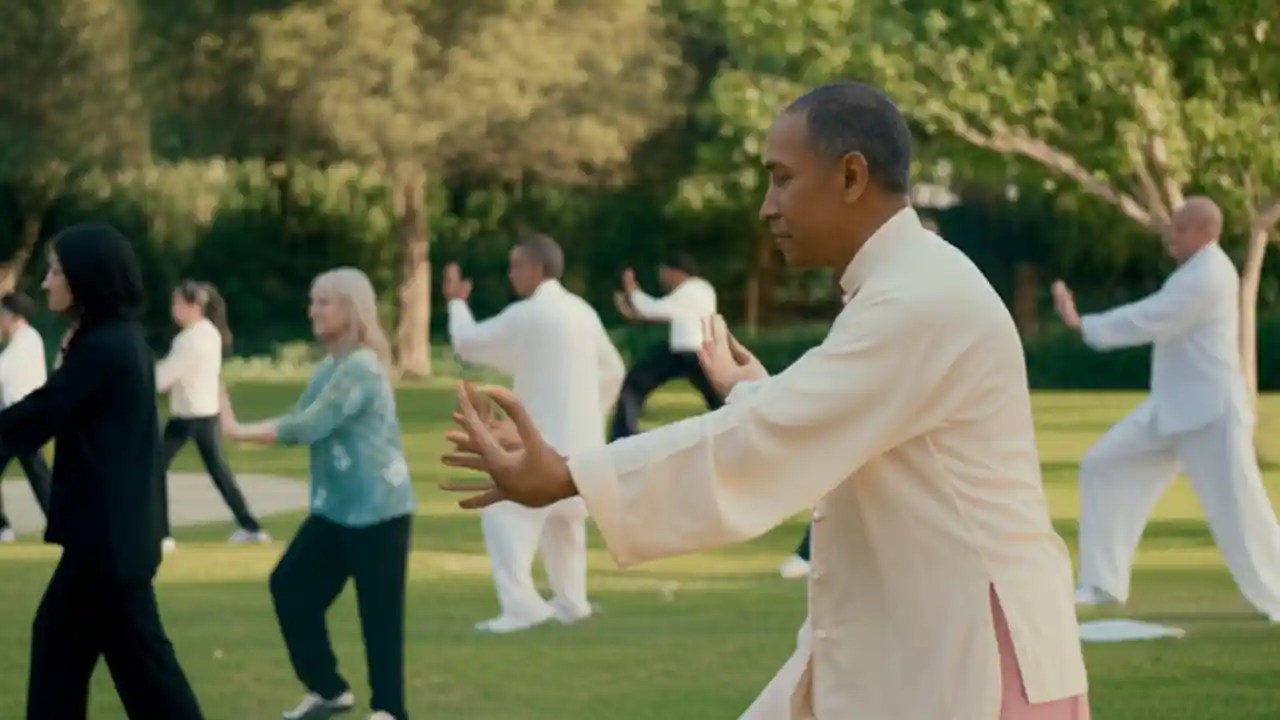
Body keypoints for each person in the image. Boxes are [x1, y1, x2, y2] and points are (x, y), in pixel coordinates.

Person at [441, 82, 1090, 719]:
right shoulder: (909, 282)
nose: (766, 206)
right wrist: (754, 390)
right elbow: (833, 416)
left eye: (781, 179)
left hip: (970, 660)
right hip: (914, 643)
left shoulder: (915, 299)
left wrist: (567, 476)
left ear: (851, 176)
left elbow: (774, 438)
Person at [0, 224, 204, 719]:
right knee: (67, 654)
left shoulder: (105, 348)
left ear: (86, 278)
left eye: (55, 272)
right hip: (110, 541)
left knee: (144, 677)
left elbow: (38, 417)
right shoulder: (114, 340)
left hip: (108, 546)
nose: (46, 283)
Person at [1052, 197, 1280, 620]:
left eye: (1180, 229)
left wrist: (1086, 326)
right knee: (1103, 465)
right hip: (1172, 411)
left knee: (1241, 513)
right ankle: (1102, 583)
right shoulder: (1193, 273)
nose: (1171, 237)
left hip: (1211, 415)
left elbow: (1152, 317)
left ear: (1205, 232)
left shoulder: (1209, 274)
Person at [223, 267, 416, 720]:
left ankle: (389, 711)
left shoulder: (363, 368)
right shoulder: (330, 368)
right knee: (289, 586)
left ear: (350, 309)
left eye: (322, 302)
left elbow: (310, 426)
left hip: (380, 510)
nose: (312, 310)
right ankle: (328, 689)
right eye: (312, 301)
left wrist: (236, 431)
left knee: (379, 616)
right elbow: (302, 415)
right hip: (337, 511)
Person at [444, 233, 625, 633]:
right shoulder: (583, 312)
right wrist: (588, 414)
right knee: (565, 522)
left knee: (502, 511)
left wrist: (456, 303)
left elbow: (467, 344)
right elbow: (614, 370)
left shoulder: (528, 314)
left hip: (538, 448)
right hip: (584, 448)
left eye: (515, 265)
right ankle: (572, 602)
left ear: (537, 268)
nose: (511, 274)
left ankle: (523, 606)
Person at [156, 280, 268, 551]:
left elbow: (162, 379)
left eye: (178, 303)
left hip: (187, 417)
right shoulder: (210, 333)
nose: (174, 309)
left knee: (153, 471)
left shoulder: (189, 339)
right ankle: (251, 527)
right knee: (219, 472)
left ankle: (161, 535)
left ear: (194, 306)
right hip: (205, 414)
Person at [611, 255, 720, 440]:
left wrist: (631, 287)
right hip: (702, 351)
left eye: (664, 274)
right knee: (716, 396)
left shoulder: (690, 290)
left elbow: (651, 308)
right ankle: (735, 429)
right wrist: (630, 311)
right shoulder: (703, 289)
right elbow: (658, 313)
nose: (663, 280)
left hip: (686, 350)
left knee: (634, 385)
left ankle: (622, 434)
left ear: (674, 272)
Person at [0, 292, 52, 541]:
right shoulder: (27, 339)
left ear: (12, 315)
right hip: (23, 416)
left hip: (20, 417)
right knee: (38, 473)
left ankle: (3, 527)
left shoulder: (24, 342)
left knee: (38, 473)